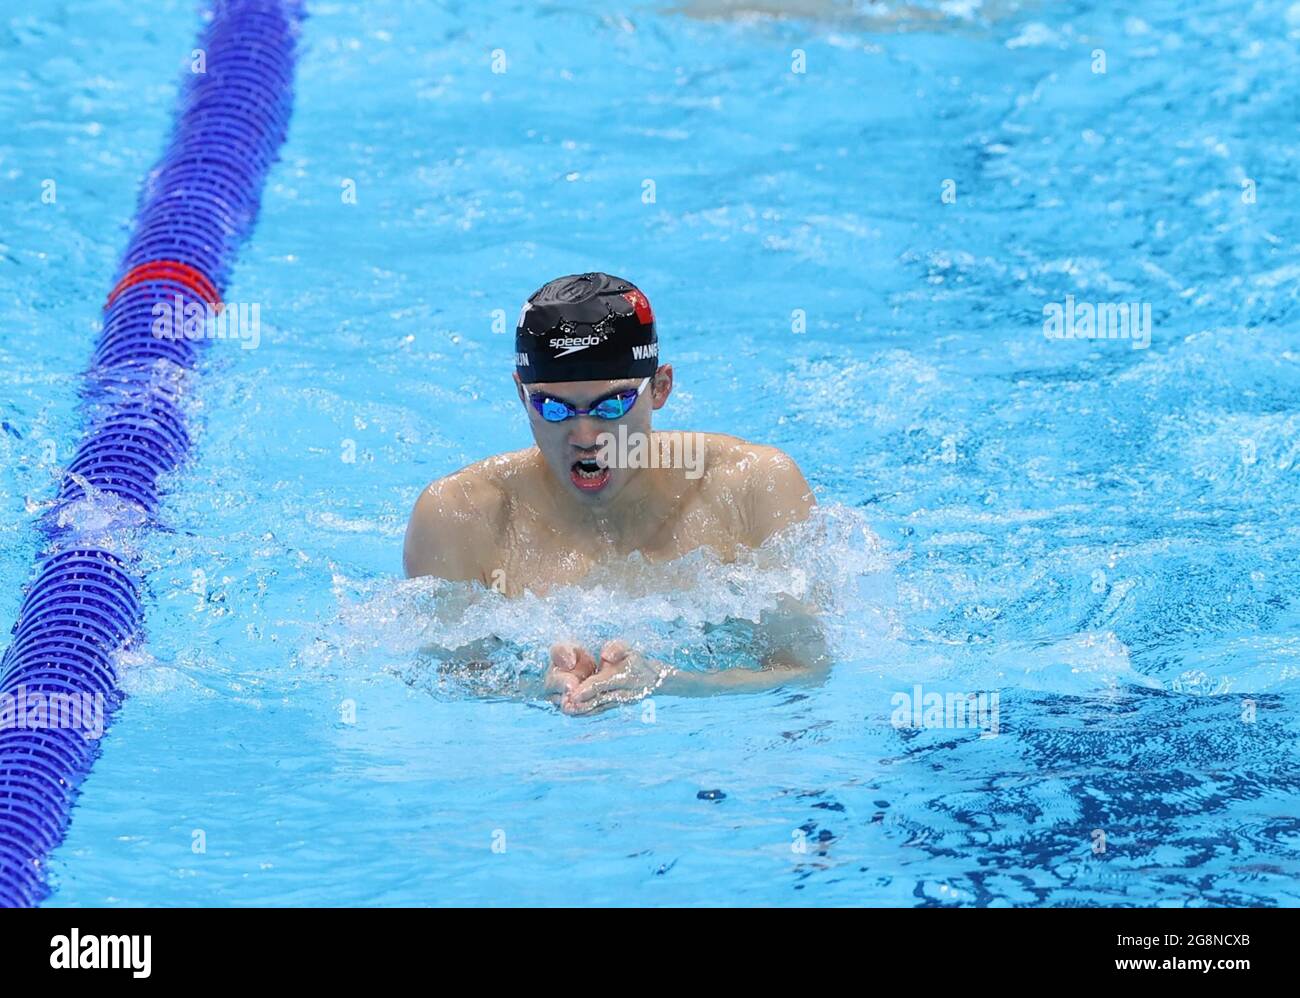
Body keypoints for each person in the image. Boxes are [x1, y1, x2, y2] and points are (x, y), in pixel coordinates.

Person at [403, 272, 825, 714]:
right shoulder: (460, 514)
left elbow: (806, 671)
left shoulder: (751, 487)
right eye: (552, 407)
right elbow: (444, 684)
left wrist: (672, 682)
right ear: (520, 395)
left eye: (611, 406)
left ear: (660, 387)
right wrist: (533, 689)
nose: (585, 435)